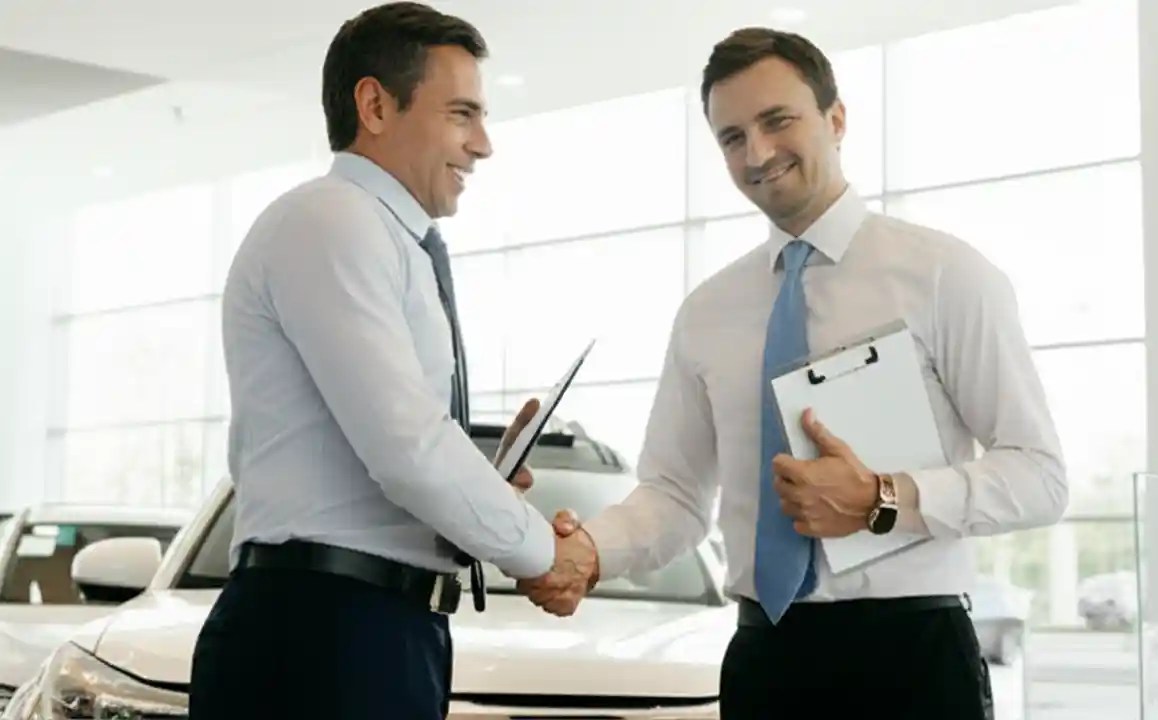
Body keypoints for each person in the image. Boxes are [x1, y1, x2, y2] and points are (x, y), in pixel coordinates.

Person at [522, 27, 1068, 719]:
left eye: (777, 120)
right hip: (766, 661)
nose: (757, 153)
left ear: (836, 120)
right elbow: (676, 496)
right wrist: (592, 550)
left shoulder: (943, 276)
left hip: (912, 659)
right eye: (732, 137)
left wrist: (882, 496)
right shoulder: (707, 312)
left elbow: (1040, 476)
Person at [188, 3, 591, 718]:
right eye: (462, 114)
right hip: (324, 635)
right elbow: (406, 447)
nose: (483, 145)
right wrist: (540, 552)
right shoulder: (331, 220)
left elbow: (391, 439)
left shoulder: (383, 236)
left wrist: (483, 481)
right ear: (374, 104)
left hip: (376, 627)